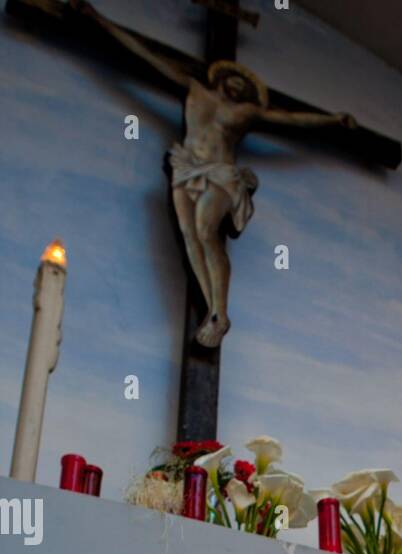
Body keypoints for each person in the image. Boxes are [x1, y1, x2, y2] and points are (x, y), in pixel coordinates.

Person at [69, 1, 357, 347]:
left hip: (221, 173)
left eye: (242, 83)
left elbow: (290, 119)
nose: (236, 85)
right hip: (185, 167)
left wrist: (332, 120)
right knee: (191, 236)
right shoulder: (193, 89)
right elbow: (147, 56)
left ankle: (221, 310)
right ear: (219, 76)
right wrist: (99, 20)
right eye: (232, 78)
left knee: (207, 230)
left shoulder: (247, 113)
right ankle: (212, 312)